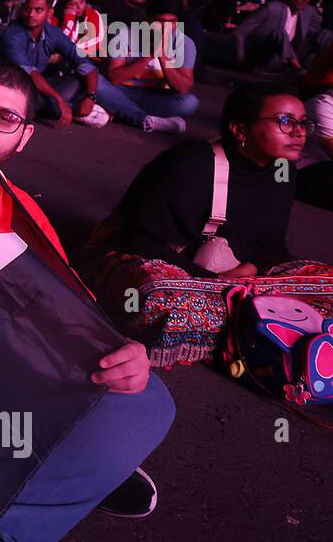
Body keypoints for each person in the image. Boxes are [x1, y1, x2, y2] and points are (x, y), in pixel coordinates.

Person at [0, 61, 173, 542]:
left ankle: (2, 531)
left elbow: (71, 312)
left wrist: (123, 352)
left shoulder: (23, 211)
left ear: (25, 136)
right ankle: (69, 474)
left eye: (5, 118)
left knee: (148, 401)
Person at [92, 84, 333, 368]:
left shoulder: (283, 170)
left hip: (231, 272)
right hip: (150, 256)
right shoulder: (190, 162)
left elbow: (270, 246)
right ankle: (272, 333)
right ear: (240, 130)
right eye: (285, 121)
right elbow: (137, 241)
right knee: (163, 301)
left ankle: (256, 330)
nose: (300, 132)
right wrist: (214, 280)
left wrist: (252, 272)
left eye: (303, 123)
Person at [1, 0, 185, 133]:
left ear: (49, 12)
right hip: (12, 89)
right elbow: (29, 74)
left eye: (38, 10)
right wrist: (59, 100)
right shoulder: (13, 35)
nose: (31, 14)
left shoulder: (52, 33)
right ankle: (76, 111)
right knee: (50, 102)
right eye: (28, 8)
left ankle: (145, 121)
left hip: (39, 89)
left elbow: (85, 64)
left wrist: (90, 97)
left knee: (87, 77)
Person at [105, 0, 201, 120]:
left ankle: (122, 111)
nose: (165, 27)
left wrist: (162, 56)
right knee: (96, 84)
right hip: (123, 91)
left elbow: (183, 88)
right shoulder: (124, 34)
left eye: (171, 22)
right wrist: (148, 56)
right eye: (160, 21)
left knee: (190, 103)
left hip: (158, 96)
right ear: (148, 19)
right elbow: (114, 79)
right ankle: (146, 118)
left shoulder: (185, 43)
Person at [232, 0, 328, 72]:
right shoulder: (272, 8)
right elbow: (239, 32)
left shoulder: (309, 12)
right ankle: (298, 69)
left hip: (291, 59)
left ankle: (324, 73)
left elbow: (315, 37)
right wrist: (241, 60)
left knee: (325, 34)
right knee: (280, 33)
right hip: (265, 57)